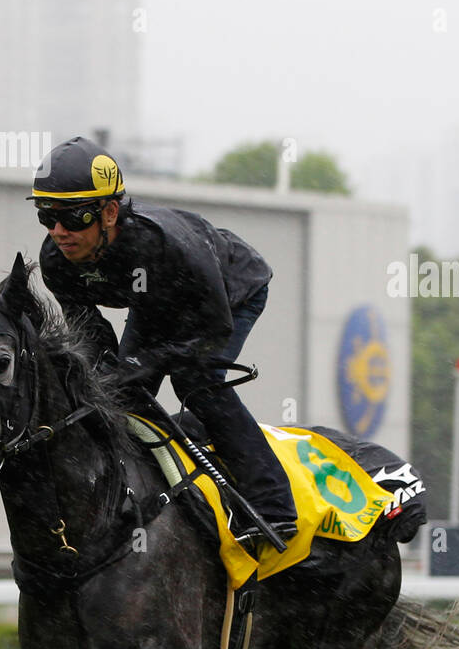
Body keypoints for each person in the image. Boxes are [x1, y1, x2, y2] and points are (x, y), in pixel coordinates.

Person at [29, 136, 298, 553]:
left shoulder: (164, 246)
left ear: (110, 212)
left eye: (74, 217)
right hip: (156, 301)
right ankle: (136, 499)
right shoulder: (56, 262)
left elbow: (212, 328)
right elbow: (93, 336)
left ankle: (275, 506)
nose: (60, 232)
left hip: (228, 296)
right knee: (116, 396)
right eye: (47, 216)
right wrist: (108, 378)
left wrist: (143, 361)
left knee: (197, 382)